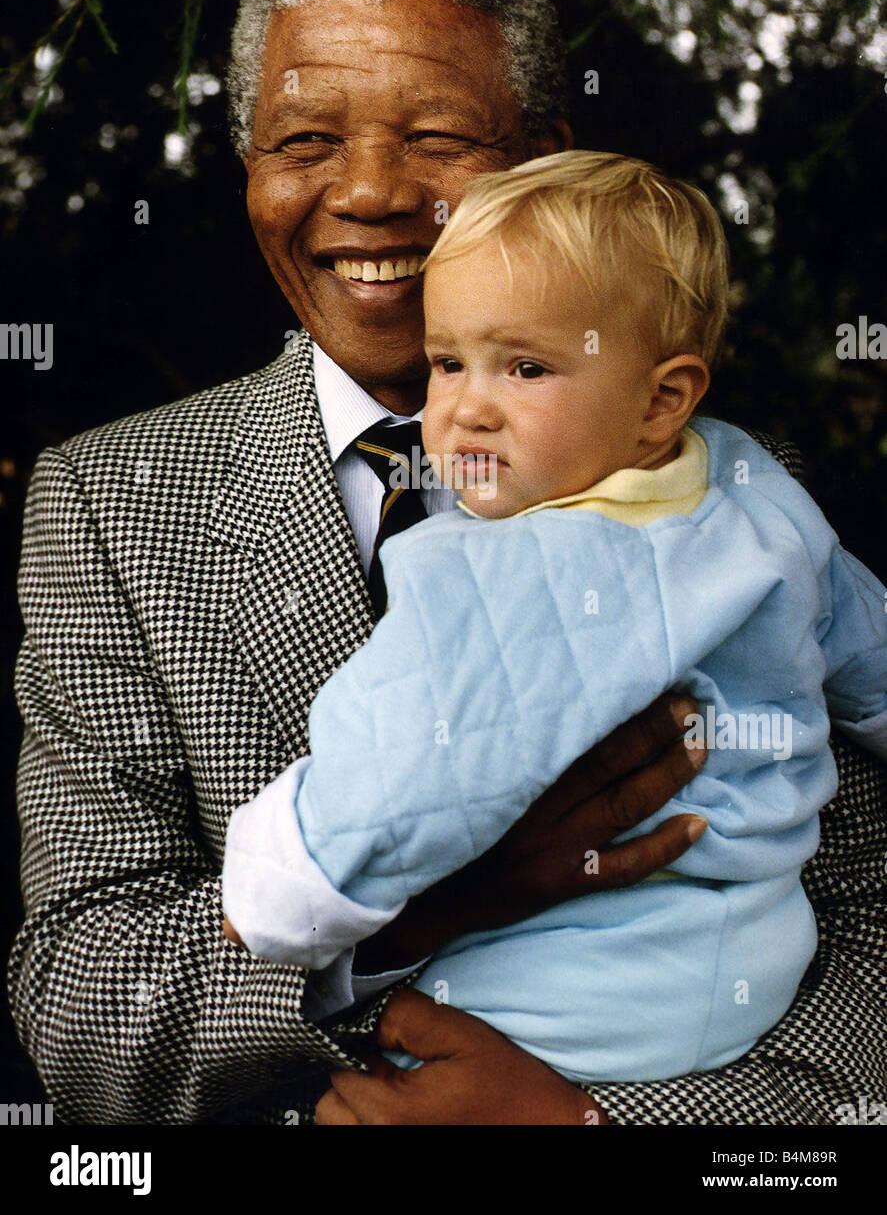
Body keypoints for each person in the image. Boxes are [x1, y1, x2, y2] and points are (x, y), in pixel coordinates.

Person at [8, 0, 886, 1126]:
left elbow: (869, 926)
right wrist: (437, 899)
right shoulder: (109, 507)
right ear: (249, 166)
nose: (367, 191)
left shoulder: (717, 483)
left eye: (435, 135)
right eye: (303, 138)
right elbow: (82, 1004)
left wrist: (587, 1132)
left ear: (545, 156)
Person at [222, 150, 887, 1085]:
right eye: (447, 362)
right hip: (758, 954)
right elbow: (865, 649)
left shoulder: (512, 572)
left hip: (574, 998)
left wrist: (279, 880)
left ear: (662, 400)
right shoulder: (752, 489)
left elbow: (404, 770)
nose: (463, 412)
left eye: (525, 368)